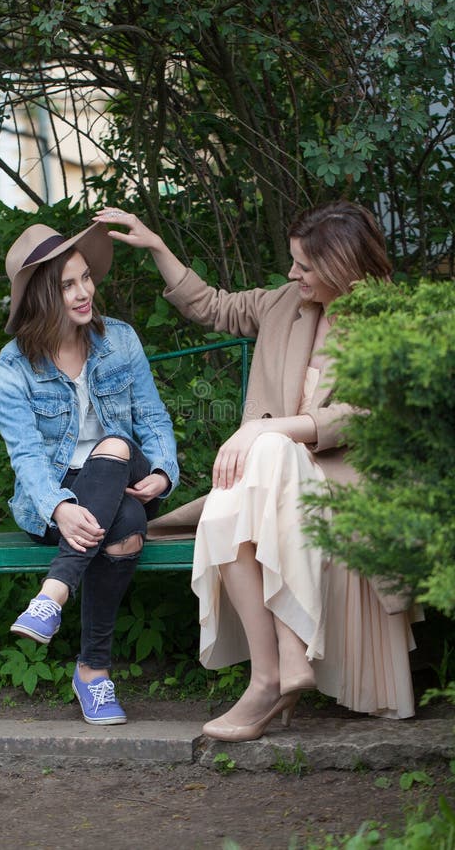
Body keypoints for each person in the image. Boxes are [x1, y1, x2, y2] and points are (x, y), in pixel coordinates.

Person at [93, 200, 421, 741]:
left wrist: (262, 430)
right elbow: (211, 306)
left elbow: (365, 414)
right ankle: (280, 668)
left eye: (305, 266)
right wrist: (155, 245)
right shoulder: (285, 304)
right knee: (235, 494)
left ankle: (270, 675)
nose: (293, 275)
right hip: (267, 484)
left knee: (258, 459)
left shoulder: (388, 323)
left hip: (347, 481)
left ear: (342, 267)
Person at [0, 220, 178, 726]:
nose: (83, 292)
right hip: (57, 496)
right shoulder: (11, 368)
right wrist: (59, 506)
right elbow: (26, 456)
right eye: (68, 285)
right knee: (124, 534)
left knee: (115, 443)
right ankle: (93, 672)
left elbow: (154, 417)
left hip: (131, 474)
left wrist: (163, 473)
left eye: (86, 278)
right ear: (42, 297)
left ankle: (52, 595)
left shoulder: (119, 339)